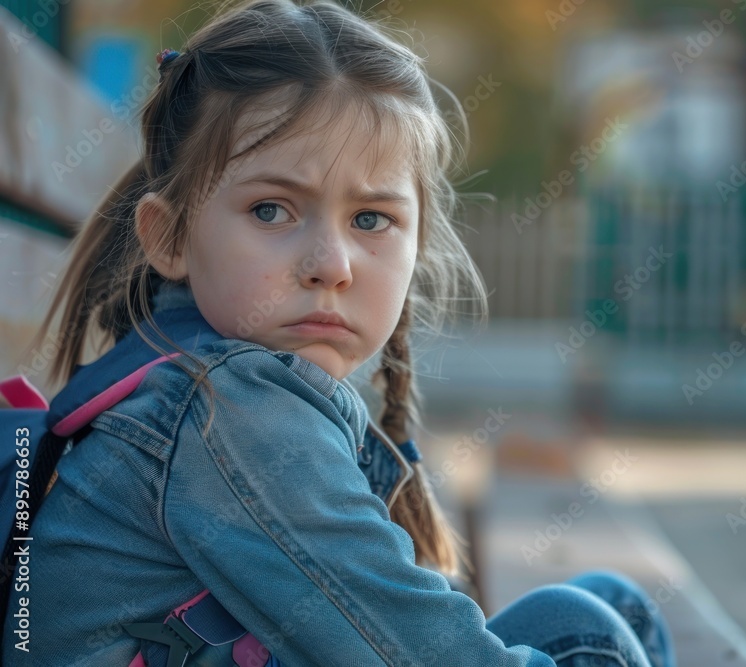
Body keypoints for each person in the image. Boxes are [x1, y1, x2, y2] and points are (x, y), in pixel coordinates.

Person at [1, 1, 676, 664]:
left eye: (371, 220)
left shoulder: (194, 378)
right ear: (168, 237)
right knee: (591, 627)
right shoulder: (230, 408)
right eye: (271, 210)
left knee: (607, 603)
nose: (331, 264)